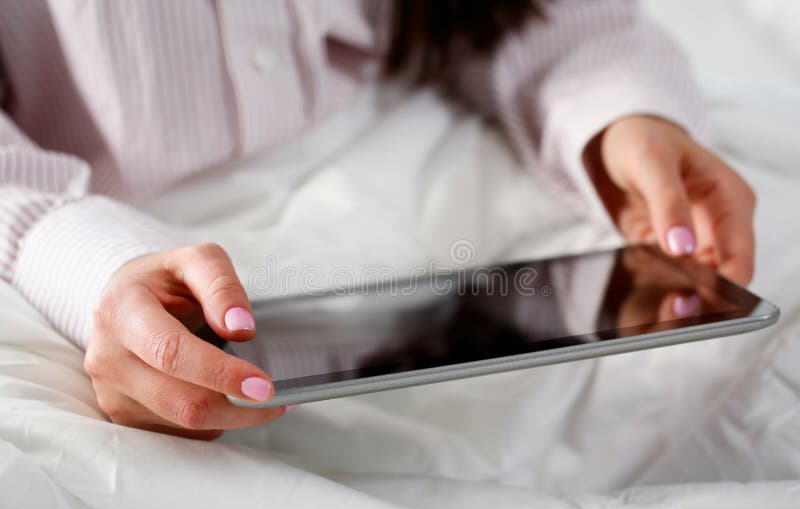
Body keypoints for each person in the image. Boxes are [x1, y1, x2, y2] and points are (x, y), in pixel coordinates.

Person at [0, 0, 755, 440]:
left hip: (436, 137)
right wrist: (85, 261)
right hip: (91, 232)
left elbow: (526, 17)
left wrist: (618, 119)